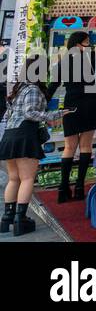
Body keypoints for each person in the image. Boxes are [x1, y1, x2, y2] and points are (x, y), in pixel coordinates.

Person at [54, 32, 96, 203]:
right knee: (85, 145)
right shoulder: (90, 58)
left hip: (71, 106)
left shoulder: (62, 62)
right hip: (90, 105)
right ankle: (80, 187)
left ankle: (62, 188)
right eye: (86, 42)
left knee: (69, 147)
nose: (88, 45)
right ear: (78, 43)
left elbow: (52, 86)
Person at [1, 55, 62, 236]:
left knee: (14, 179)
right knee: (27, 179)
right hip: (25, 135)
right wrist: (54, 115)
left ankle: (7, 219)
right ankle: (21, 219)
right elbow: (30, 113)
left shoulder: (18, 89)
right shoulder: (34, 89)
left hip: (10, 135)